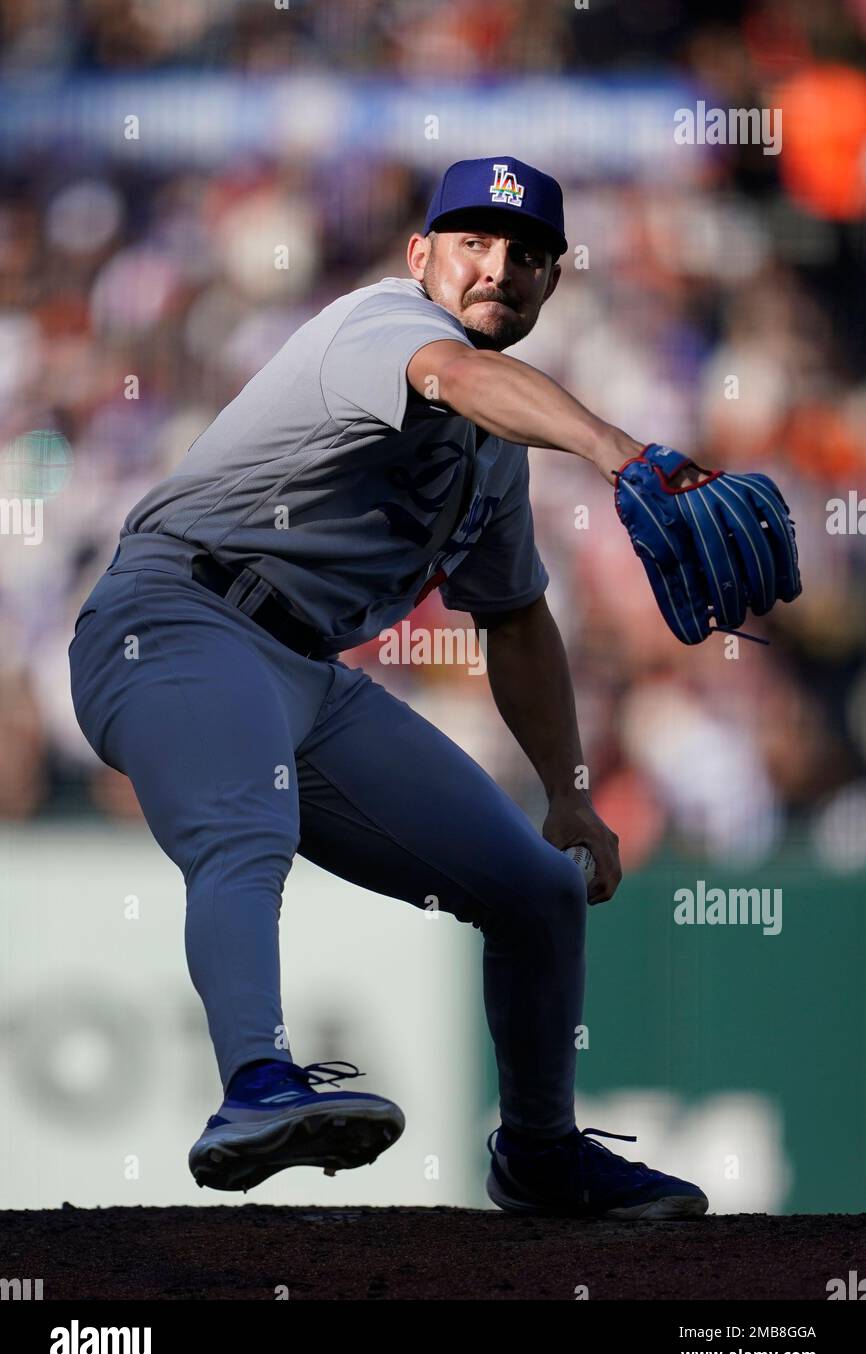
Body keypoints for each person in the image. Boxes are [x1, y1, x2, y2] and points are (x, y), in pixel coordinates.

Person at [68, 155, 708, 1218]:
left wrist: (566, 791)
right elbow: (450, 376)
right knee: (244, 827)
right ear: (420, 257)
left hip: (301, 675)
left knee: (538, 892)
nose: (495, 267)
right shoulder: (381, 322)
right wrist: (613, 445)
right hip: (172, 615)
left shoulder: (497, 456)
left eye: (525, 255)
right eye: (471, 243)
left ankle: (540, 1157)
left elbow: (511, 615)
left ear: (551, 283)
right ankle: (253, 1084)